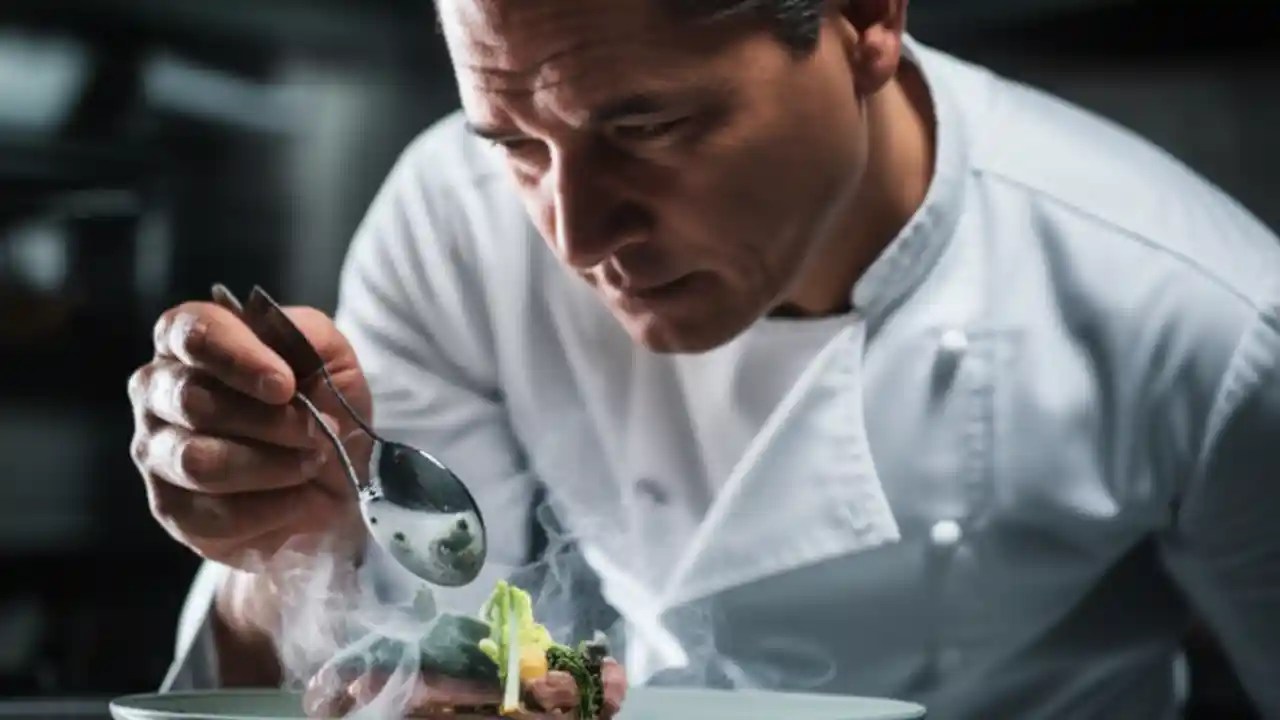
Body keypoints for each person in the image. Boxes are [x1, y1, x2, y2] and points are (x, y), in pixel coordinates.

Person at [126, 0, 1280, 717]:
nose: (576, 238)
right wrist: (284, 553)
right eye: (517, 142)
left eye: (644, 128)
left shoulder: (1201, 317)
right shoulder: (452, 221)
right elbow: (427, 658)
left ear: (864, 20)